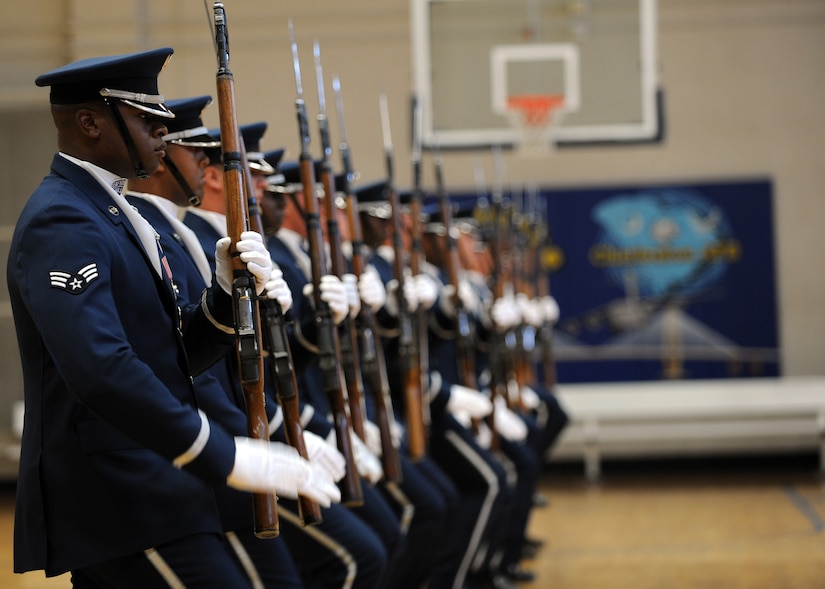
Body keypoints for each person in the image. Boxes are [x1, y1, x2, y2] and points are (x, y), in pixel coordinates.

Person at [8, 48, 338, 588]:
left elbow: (169, 352)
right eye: (146, 119)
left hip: (154, 485)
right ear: (91, 123)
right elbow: (100, 367)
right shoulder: (63, 218)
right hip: (120, 493)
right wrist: (220, 451)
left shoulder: (110, 211)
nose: (163, 132)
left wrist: (226, 296)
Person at [125, 95, 334, 588]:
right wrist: (260, 440)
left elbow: (247, 354)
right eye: (200, 154)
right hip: (202, 460)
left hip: (229, 448)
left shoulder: (179, 233)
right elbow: (179, 366)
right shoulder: (162, 233)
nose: (261, 187)